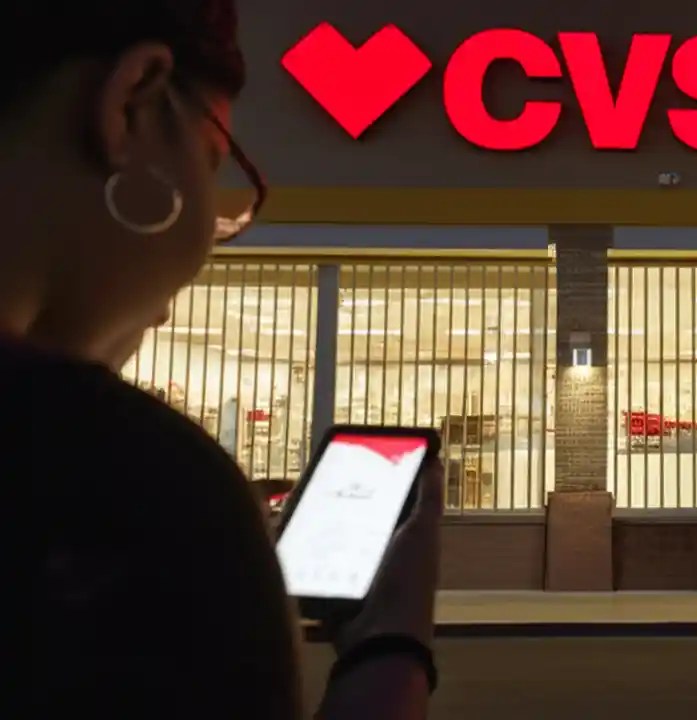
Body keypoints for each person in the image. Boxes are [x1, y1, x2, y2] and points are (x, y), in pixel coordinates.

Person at [3, 3, 442, 718]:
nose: (213, 234)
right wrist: (390, 644)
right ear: (132, 103)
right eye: (216, 162)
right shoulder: (117, 486)